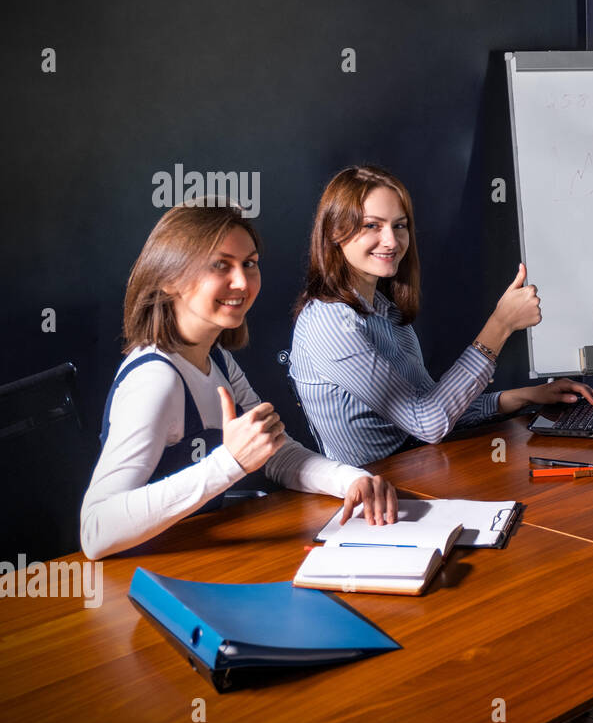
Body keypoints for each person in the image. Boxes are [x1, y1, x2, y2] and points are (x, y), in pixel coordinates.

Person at [81, 202, 398, 562]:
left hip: (200, 557)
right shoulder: (155, 379)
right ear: (169, 279)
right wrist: (229, 462)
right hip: (145, 576)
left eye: (249, 263)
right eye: (221, 265)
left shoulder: (216, 358)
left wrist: (351, 480)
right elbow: (95, 531)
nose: (242, 282)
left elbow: (275, 455)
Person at [289, 165, 593, 467]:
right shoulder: (328, 323)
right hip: (380, 498)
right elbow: (429, 424)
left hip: (422, 470)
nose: (391, 241)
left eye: (399, 225)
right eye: (372, 225)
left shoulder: (385, 311)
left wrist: (526, 396)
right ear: (334, 232)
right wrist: (501, 325)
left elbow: (435, 407)